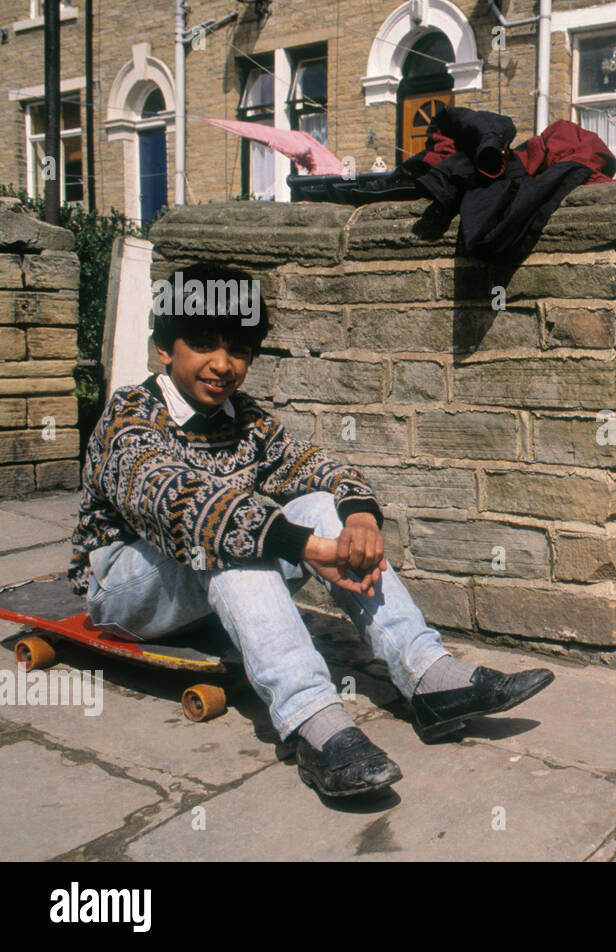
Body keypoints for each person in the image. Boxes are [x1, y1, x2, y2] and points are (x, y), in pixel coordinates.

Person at [69, 263, 554, 797]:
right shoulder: (131, 417)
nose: (223, 365)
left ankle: (427, 675)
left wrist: (360, 515)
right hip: (125, 592)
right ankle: (314, 720)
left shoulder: (244, 420)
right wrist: (302, 546)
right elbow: (182, 505)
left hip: (200, 586)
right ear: (164, 348)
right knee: (229, 541)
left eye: (238, 350)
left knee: (322, 504)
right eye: (203, 344)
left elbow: (313, 465)